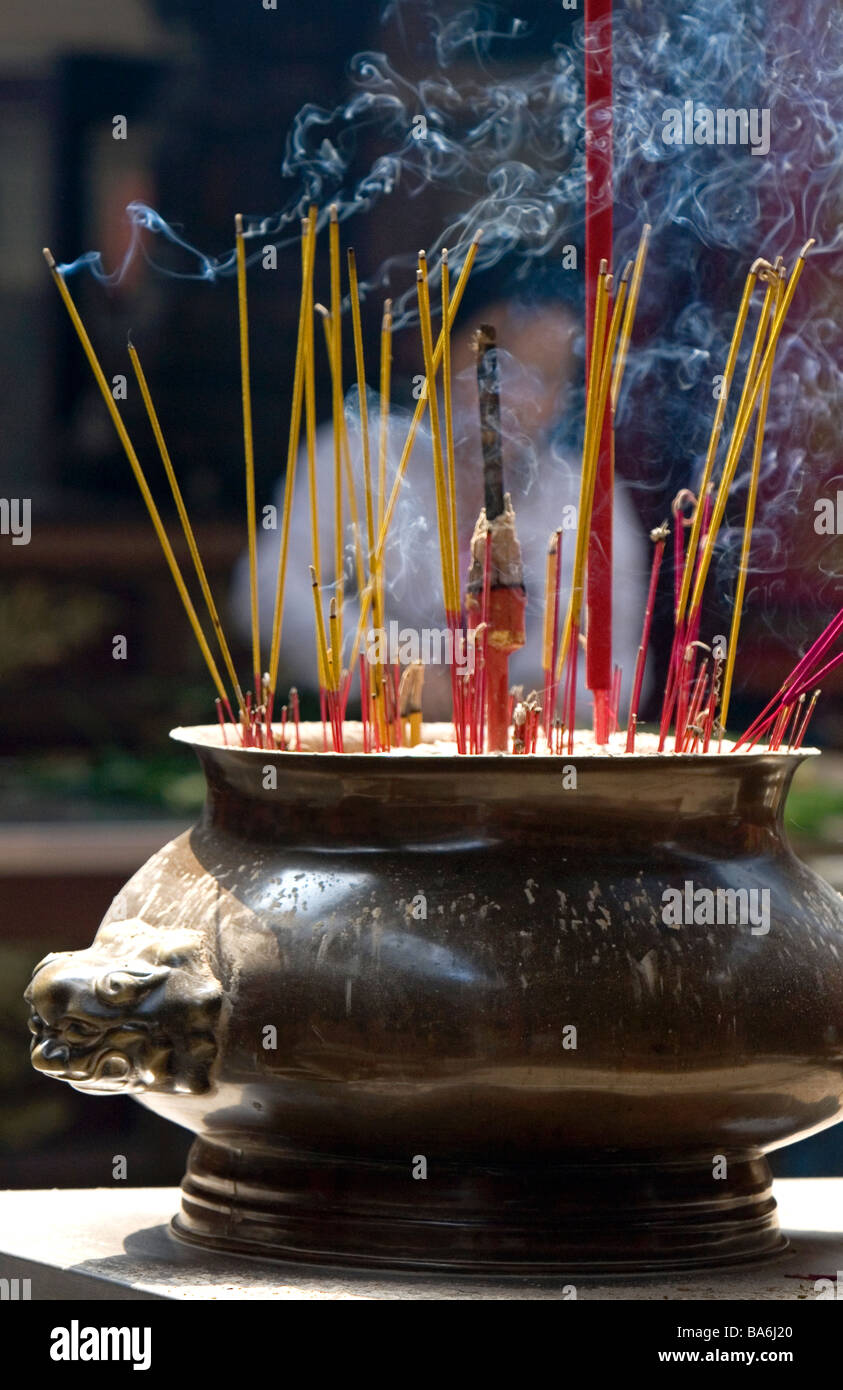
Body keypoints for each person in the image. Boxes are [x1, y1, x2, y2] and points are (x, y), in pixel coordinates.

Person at [232, 293, 648, 725]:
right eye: (493, 365)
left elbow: (618, 661)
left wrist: (521, 699)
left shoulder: (585, 496)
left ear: (562, 400)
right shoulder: (358, 455)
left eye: (542, 378)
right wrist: (385, 667)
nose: (510, 397)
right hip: (367, 735)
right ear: (443, 354)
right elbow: (267, 590)